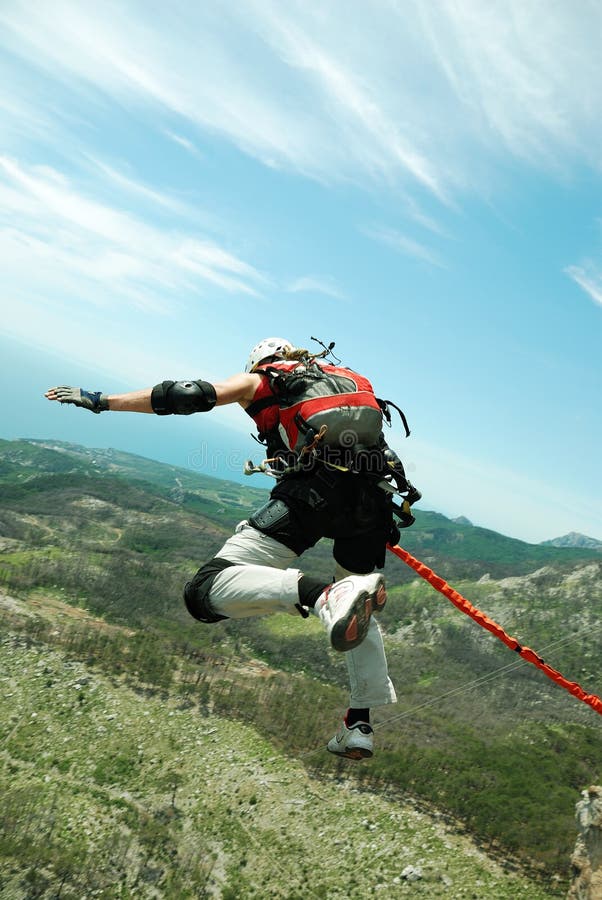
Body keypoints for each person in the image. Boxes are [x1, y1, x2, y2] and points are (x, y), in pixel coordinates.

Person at [45, 337, 420, 760]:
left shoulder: (264, 379)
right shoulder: (348, 378)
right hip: (372, 507)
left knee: (205, 590)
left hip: (312, 496)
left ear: (264, 362)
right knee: (360, 606)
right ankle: (359, 724)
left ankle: (321, 595)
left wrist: (101, 400)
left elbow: (187, 395)